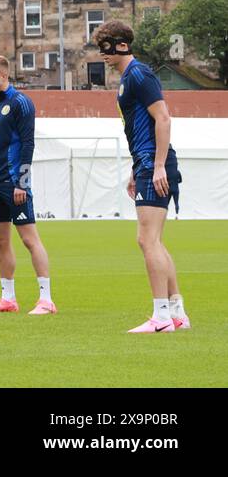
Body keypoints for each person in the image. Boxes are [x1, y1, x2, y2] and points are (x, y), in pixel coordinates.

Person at [93, 20, 188, 333]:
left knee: (146, 240)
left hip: (155, 165)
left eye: (106, 46)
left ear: (122, 45)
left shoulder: (138, 74)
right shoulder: (127, 79)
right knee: (155, 241)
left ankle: (161, 317)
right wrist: (137, 168)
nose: (102, 54)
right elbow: (140, 129)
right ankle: (176, 313)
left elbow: (163, 118)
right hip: (146, 164)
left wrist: (157, 165)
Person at [0, 55, 55, 315]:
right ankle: (8, 299)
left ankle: (46, 300)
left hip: (13, 183)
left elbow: (28, 145)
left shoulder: (21, 103)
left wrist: (22, 184)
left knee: (29, 239)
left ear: (4, 76)